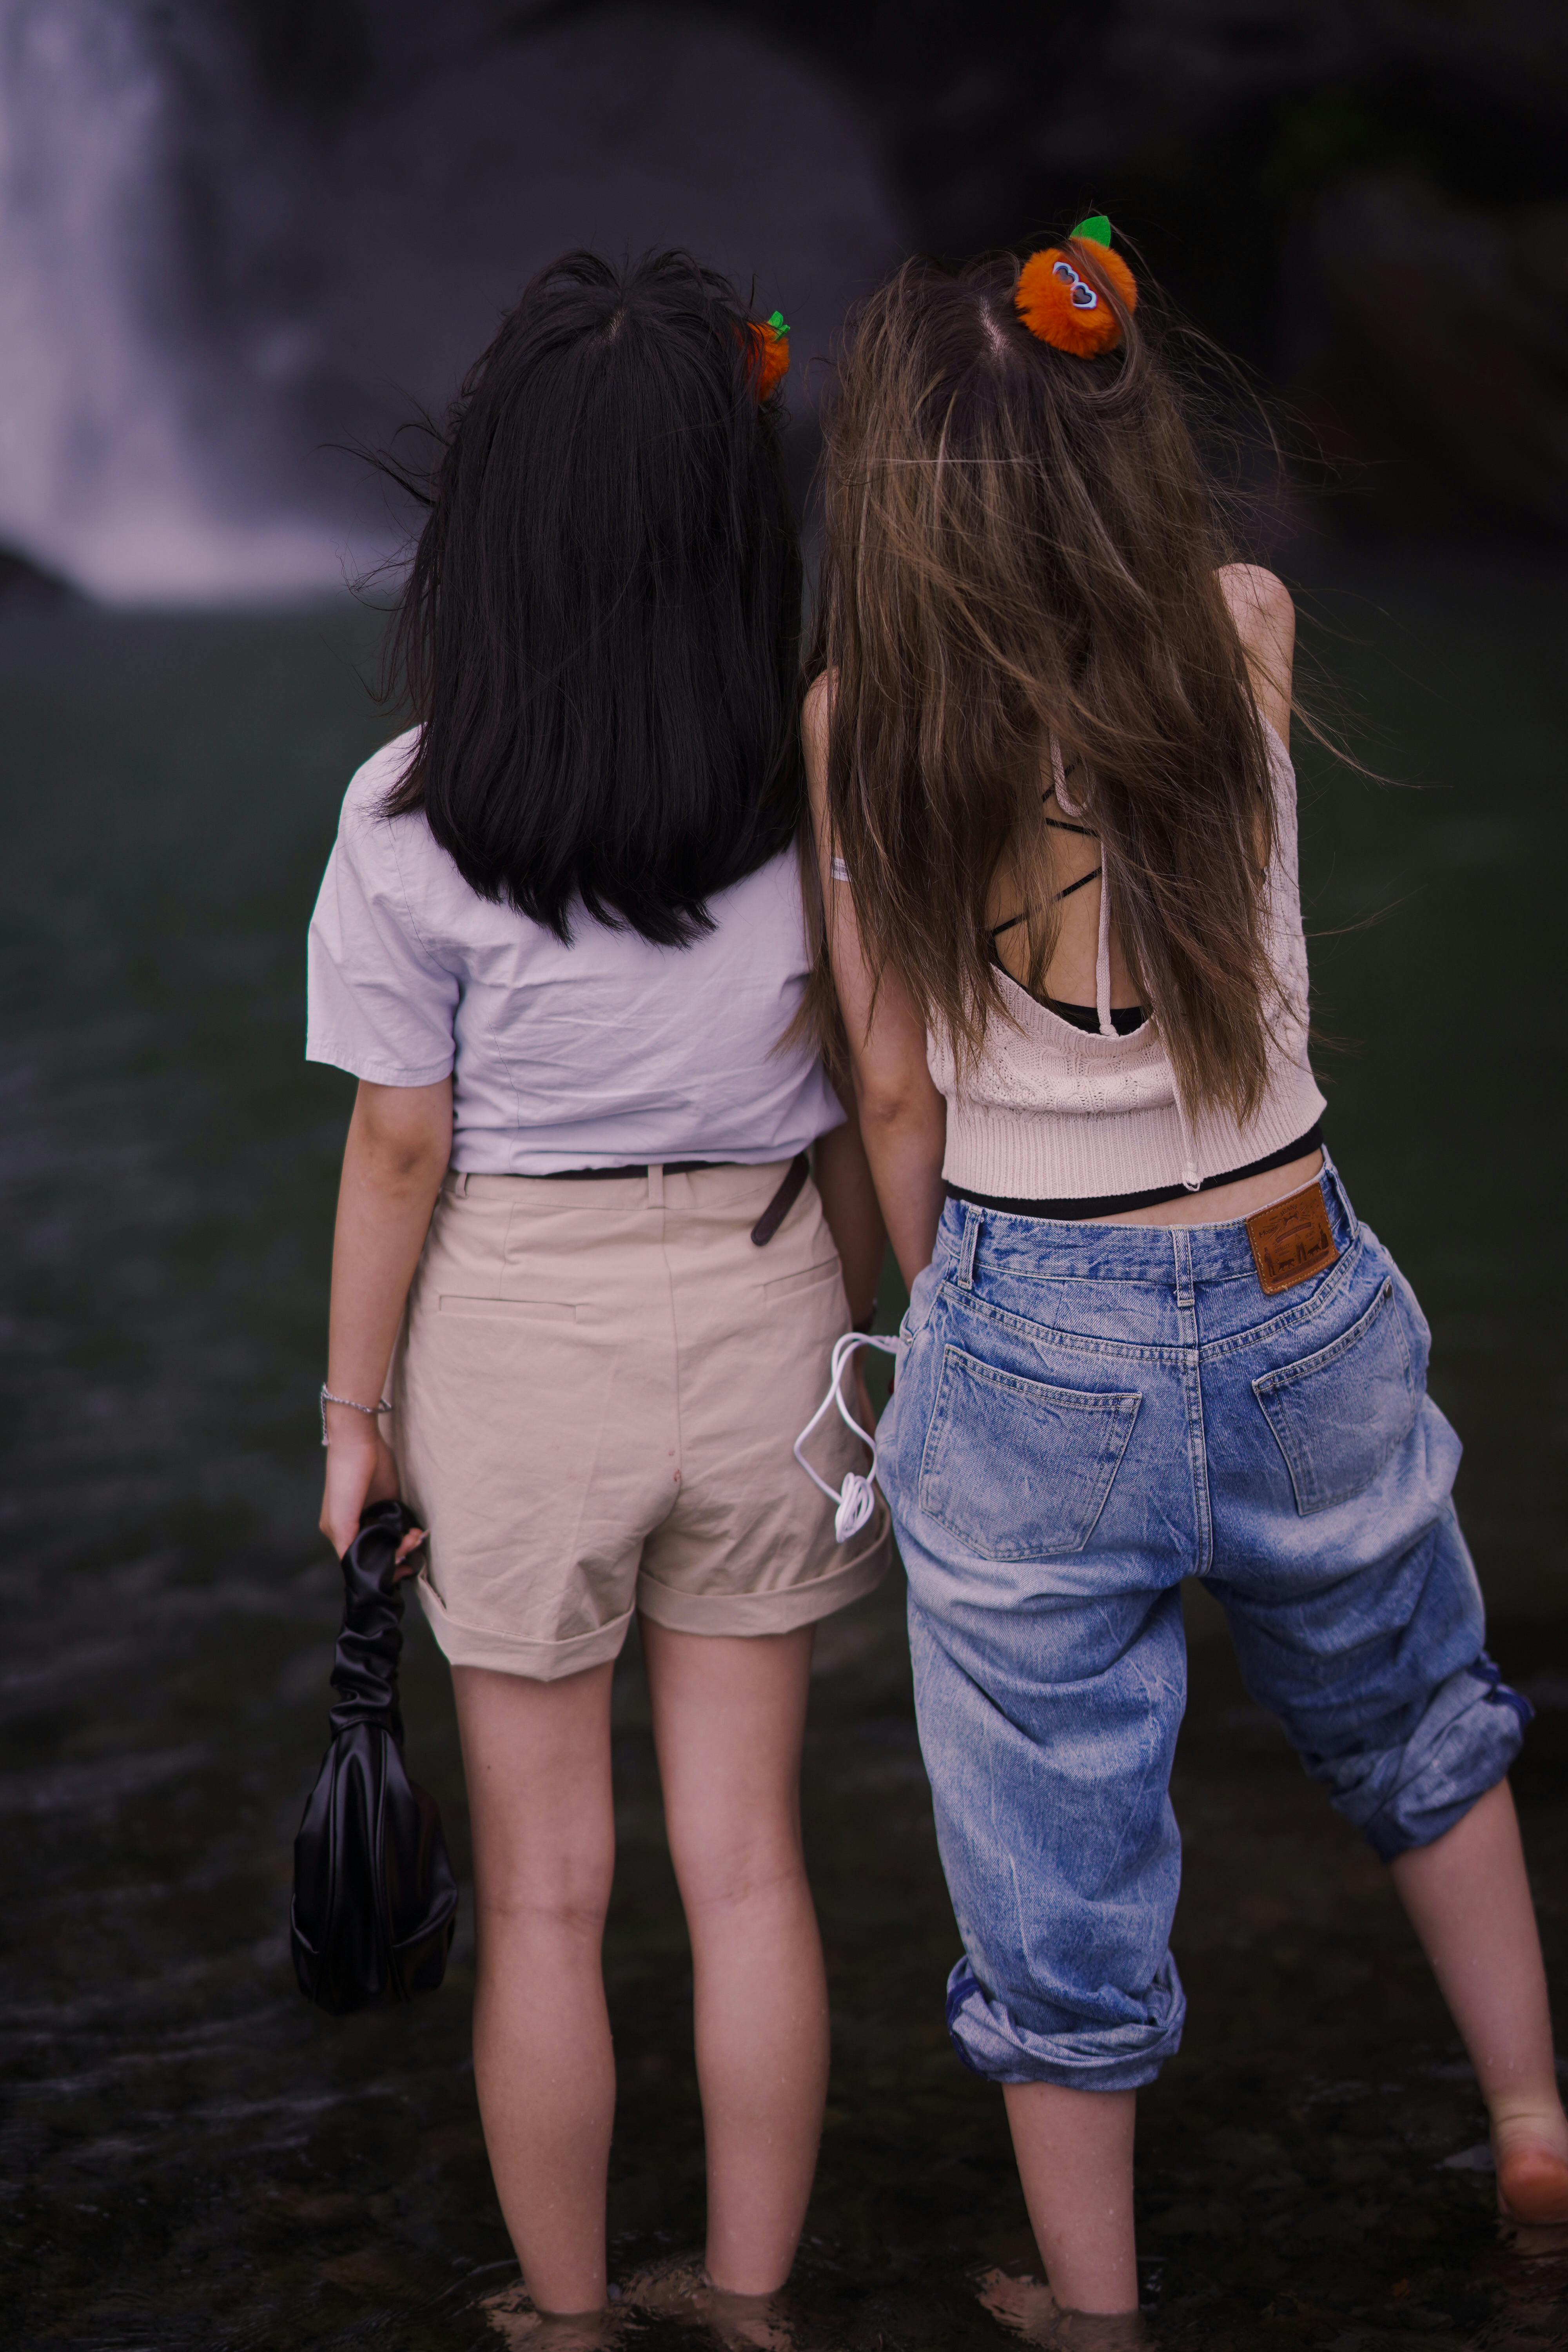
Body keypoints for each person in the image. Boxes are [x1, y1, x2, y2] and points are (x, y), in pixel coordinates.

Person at [804, 223, 1568, 2334]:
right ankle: (1530, 2122)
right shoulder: (1245, 622)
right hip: (1301, 1260)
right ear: (1131, 436)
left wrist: (941, 1327)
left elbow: (890, 1091)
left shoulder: (862, 719)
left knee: (1054, 1832)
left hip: (1027, 1302)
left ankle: (1099, 2303)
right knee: (1423, 1715)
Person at [306, 249, 888, 2326]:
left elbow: (400, 1147)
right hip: (769, 1313)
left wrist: (351, 1425)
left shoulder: (410, 816)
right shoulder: (816, 788)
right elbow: (860, 1097)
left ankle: (560, 2318)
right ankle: (749, 2301)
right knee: (750, 1873)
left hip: (519, 1346)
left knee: (549, 1898)